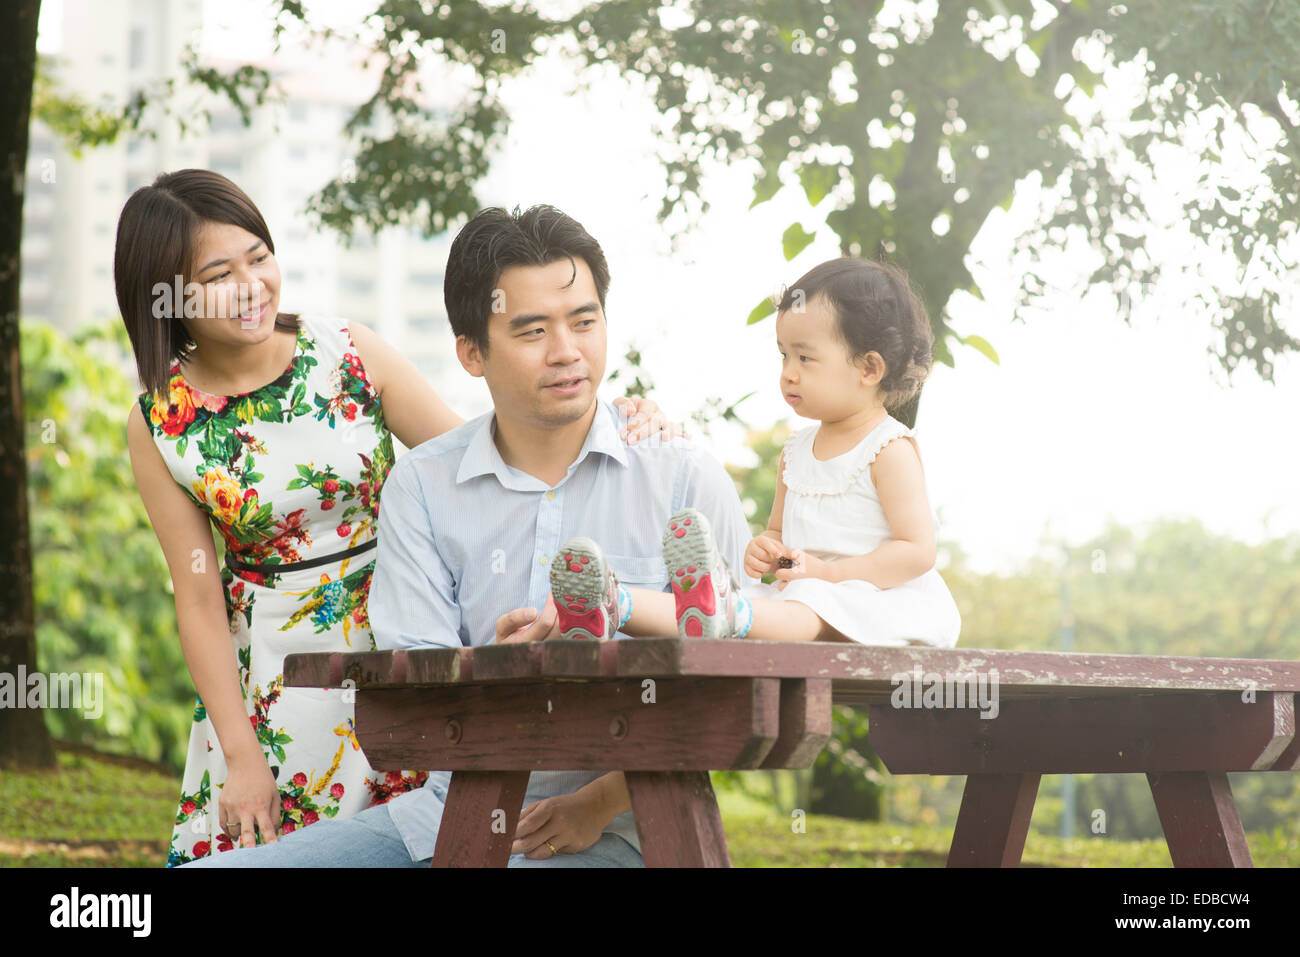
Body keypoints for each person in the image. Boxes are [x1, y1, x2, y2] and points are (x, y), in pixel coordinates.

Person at [118, 170, 669, 866]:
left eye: (259, 257)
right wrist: (240, 751)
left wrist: (610, 419)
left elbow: (481, 458)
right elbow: (197, 596)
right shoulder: (161, 422)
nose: (251, 285)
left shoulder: (345, 351)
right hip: (277, 679)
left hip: (407, 636)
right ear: (164, 292)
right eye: (218, 273)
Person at [545, 257, 962, 647]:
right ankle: (615, 603)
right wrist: (767, 549)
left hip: (881, 603)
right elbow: (779, 533)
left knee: (793, 609)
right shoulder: (796, 451)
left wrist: (830, 575)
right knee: (737, 606)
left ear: (869, 369)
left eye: (805, 357)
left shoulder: (888, 449)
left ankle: (727, 612)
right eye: (784, 355)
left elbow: (916, 551)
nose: (788, 373)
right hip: (805, 594)